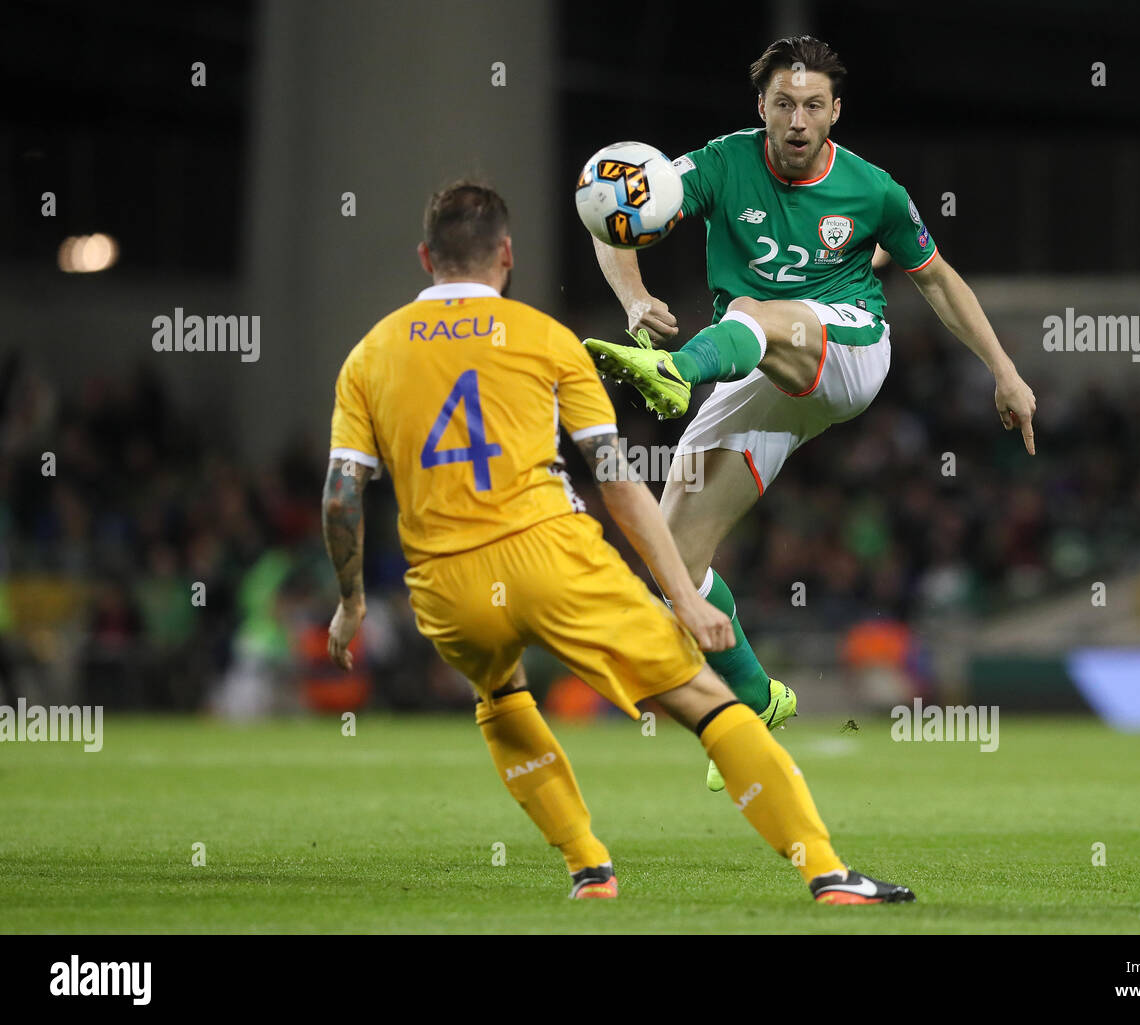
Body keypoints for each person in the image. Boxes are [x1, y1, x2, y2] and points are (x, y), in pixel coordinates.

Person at [321, 179, 916, 904]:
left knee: (501, 697)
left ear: (425, 257)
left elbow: (341, 494)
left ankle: (589, 868)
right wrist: (682, 596)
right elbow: (620, 484)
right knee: (703, 698)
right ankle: (827, 871)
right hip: (551, 557)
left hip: (444, 584)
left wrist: (350, 600)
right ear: (506, 254)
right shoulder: (545, 337)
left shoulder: (369, 354)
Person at [585, 34, 1038, 791]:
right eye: (785, 104)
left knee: (762, 312)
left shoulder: (875, 191)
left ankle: (673, 372)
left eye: (814, 105)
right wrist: (634, 299)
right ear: (761, 106)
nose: (799, 119)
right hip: (756, 364)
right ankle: (759, 697)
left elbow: (940, 281)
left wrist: (1005, 370)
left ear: (835, 112)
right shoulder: (722, 163)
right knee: (672, 564)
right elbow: (616, 217)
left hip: (847, 352)